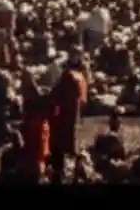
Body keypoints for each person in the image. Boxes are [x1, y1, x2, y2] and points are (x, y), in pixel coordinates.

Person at [49, 53, 88, 184]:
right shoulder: (81, 77)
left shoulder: (67, 76)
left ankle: (60, 173)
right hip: (75, 112)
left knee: (60, 143)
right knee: (72, 141)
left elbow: (56, 93)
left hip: (64, 113)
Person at [19, 72, 52, 182]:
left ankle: (38, 173)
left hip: (36, 126)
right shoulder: (32, 94)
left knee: (37, 152)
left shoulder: (33, 96)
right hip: (37, 125)